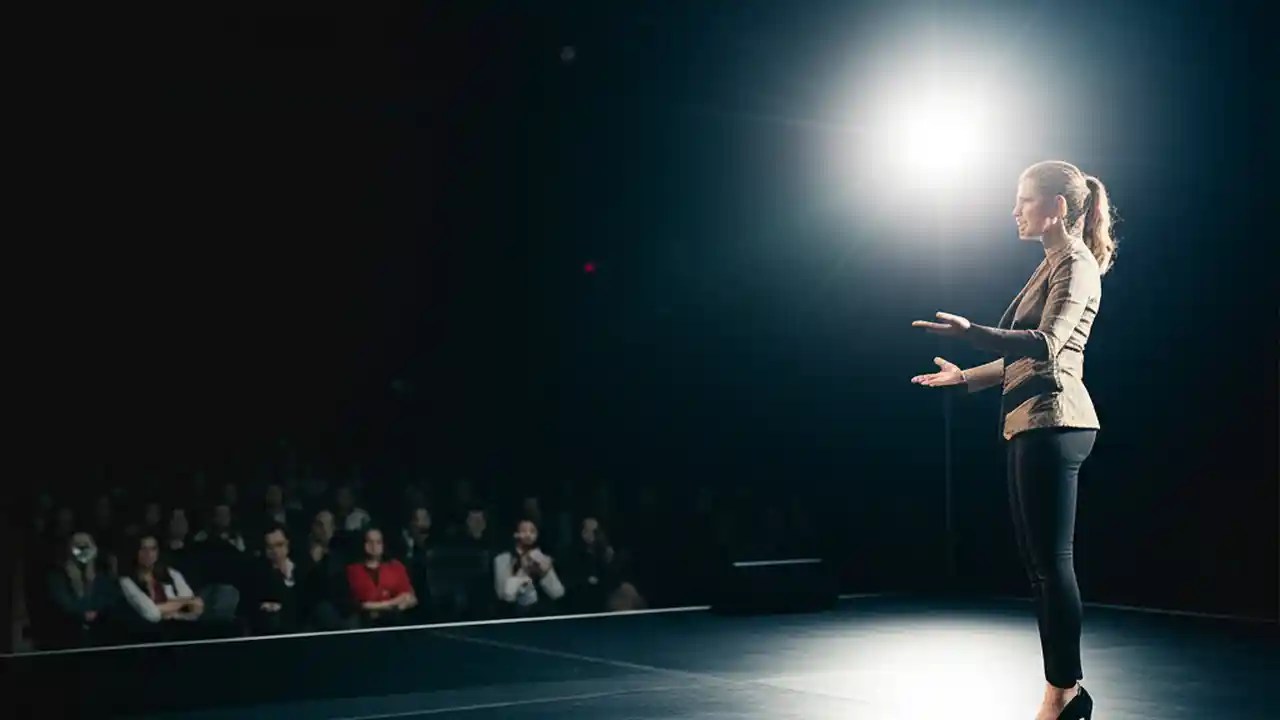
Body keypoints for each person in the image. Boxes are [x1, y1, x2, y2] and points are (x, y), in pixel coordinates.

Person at [911, 160, 1112, 720]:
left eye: (1025, 200)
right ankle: (1064, 693)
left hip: (1056, 421)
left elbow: (1046, 345)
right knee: (1040, 566)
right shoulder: (1050, 264)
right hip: (1029, 420)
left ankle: (1063, 693)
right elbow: (1020, 356)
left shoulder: (1076, 263)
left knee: (1052, 563)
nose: (1015, 211)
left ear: (1058, 207)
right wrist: (965, 376)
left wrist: (972, 332)